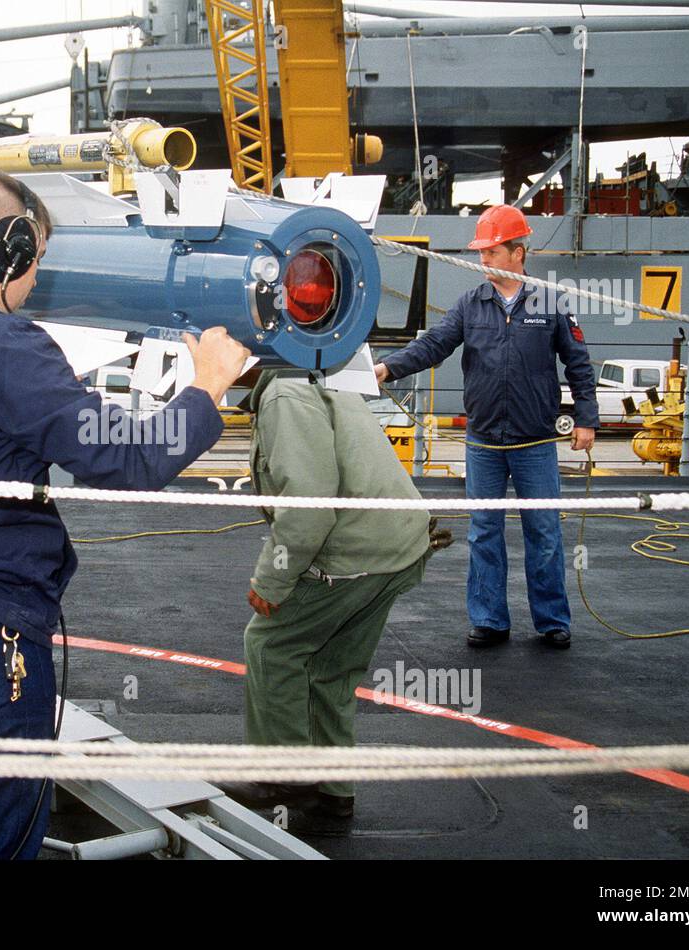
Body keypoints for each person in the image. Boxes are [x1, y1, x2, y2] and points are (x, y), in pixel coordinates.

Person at [0, 169, 251, 860]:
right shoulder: (2, 344)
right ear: (12, 249)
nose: (33, 281)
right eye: (37, 260)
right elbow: (126, 459)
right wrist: (206, 388)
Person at [373, 204, 598, 650]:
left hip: (535, 442)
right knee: (484, 532)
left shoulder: (551, 304)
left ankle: (552, 620)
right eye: (482, 253)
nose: (484, 260)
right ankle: (490, 619)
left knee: (546, 533)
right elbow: (434, 345)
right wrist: (387, 369)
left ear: (518, 252)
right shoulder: (469, 304)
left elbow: (578, 365)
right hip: (484, 443)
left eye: (492, 252)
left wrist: (587, 419)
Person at [219, 370, 435, 830]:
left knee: (271, 646)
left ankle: (282, 777)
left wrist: (271, 582)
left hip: (356, 552)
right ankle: (332, 791)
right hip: (398, 548)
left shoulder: (283, 394)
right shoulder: (323, 376)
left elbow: (309, 508)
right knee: (329, 669)